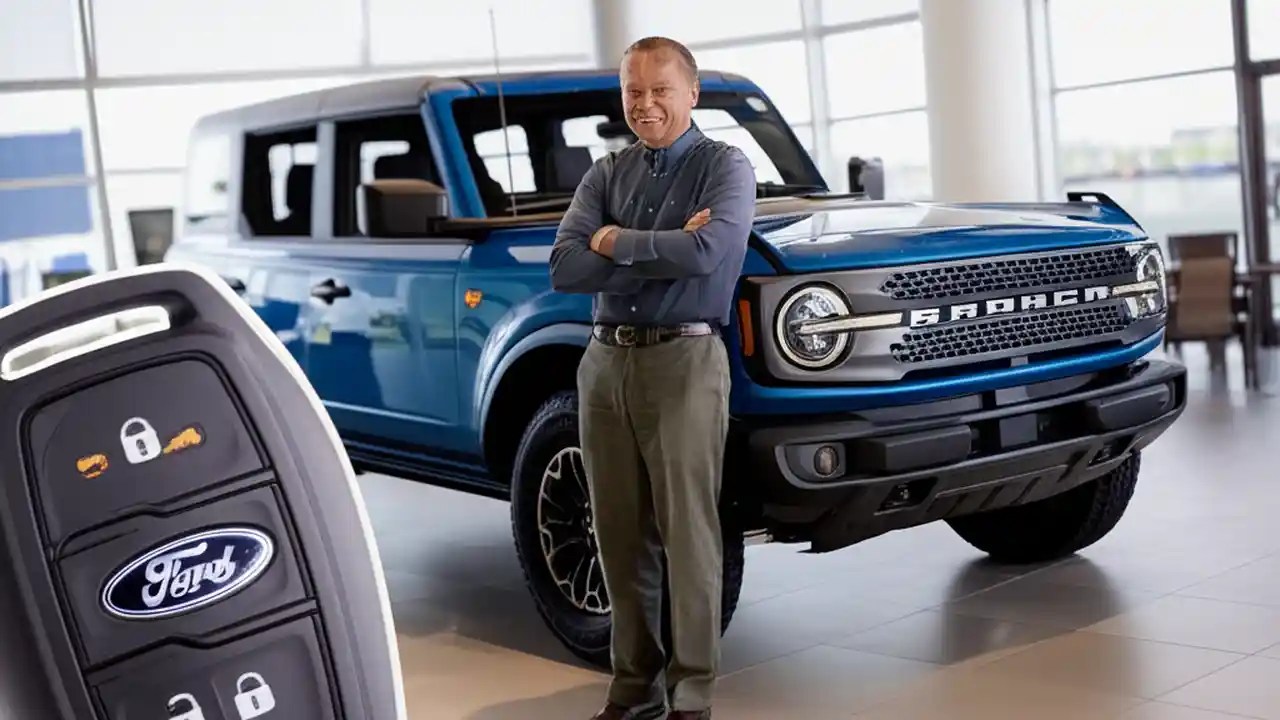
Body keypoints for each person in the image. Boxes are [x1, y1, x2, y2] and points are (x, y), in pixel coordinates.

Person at [549, 36, 757, 720]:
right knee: (617, 532)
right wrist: (654, 248)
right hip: (605, 361)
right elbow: (565, 267)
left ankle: (691, 696)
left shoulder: (726, 167)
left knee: (688, 533)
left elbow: (707, 253)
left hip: (685, 362)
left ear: (691, 93)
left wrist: (614, 241)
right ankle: (632, 691)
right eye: (633, 92)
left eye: (659, 90)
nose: (645, 104)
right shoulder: (606, 173)